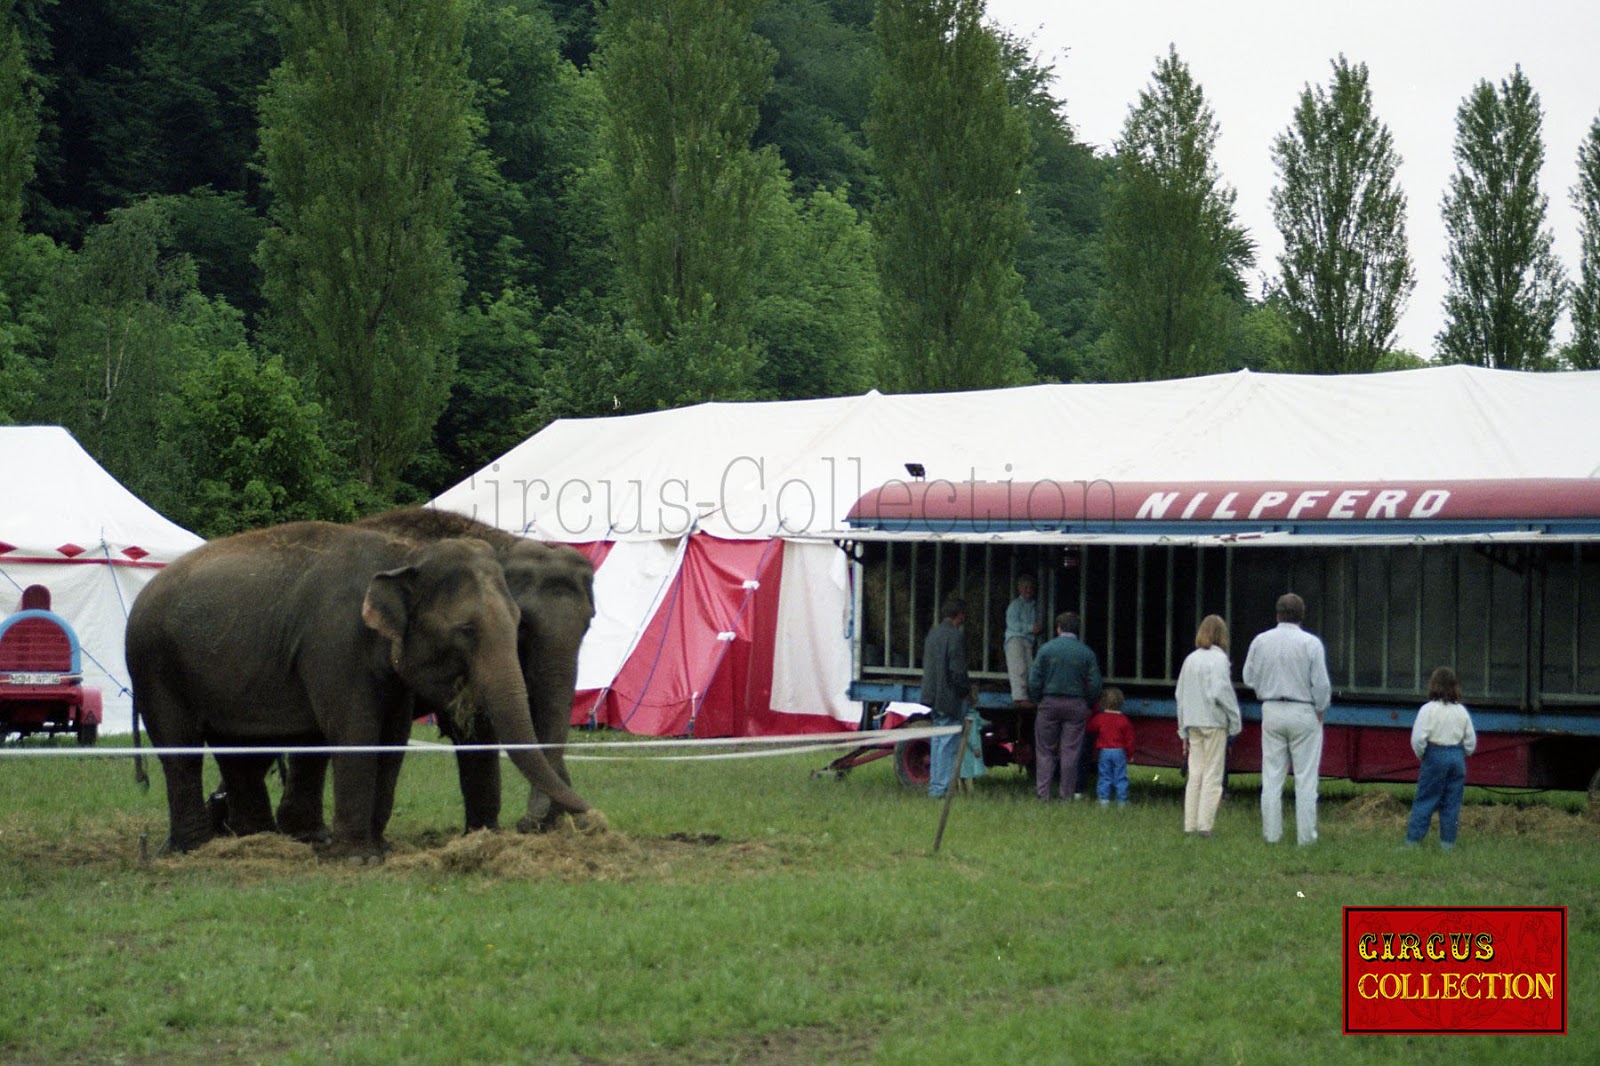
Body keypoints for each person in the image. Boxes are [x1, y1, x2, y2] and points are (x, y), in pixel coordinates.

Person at [1242, 593, 1332, 846]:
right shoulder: (1311, 643)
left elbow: (1248, 676)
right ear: (1302, 615)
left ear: (1277, 613)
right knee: (1306, 779)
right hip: (1303, 710)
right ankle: (1306, 838)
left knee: (1271, 776)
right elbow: (1321, 684)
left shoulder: (1261, 641)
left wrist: (1265, 686)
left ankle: (1271, 835)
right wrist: (1321, 706)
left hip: (1271, 708)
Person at [1175, 614, 1242, 837]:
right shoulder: (1219, 659)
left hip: (1193, 721)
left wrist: (1182, 724)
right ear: (1222, 636)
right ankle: (1205, 826)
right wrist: (1235, 720)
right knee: (1213, 775)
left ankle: (1189, 825)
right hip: (1213, 722)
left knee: (1195, 773)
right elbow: (1222, 692)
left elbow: (1180, 694)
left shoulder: (1190, 659)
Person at [1028, 611, 1103, 801]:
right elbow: (1095, 683)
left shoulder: (1046, 649)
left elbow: (1034, 679)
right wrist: (1088, 702)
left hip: (1049, 703)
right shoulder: (1086, 652)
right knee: (1070, 751)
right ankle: (1066, 796)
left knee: (1045, 750)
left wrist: (1038, 699)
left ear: (1058, 628)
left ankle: (1042, 794)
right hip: (1076, 704)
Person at [1405, 666, 1478, 850]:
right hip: (1456, 757)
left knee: (1426, 799)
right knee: (1452, 803)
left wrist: (1424, 754)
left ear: (1433, 685)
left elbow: (1418, 739)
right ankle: (1447, 844)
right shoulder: (1461, 711)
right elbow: (1470, 741)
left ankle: (1413, 842)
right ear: (1455, 687)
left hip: (1435, 754)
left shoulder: (1427, 710)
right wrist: (1463, 753)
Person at [919, 595, 972, 799]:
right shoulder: (956, 637)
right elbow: (957, 670)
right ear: (959, 615)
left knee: (938, 742)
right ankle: (942, 789)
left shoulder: (933, 633)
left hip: (933, 694)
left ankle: (935, 785)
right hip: (950, 696)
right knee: (949, 744)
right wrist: (965, 690)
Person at [1085, 686, 1134, 807]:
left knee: (1104, 775)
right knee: (1121, 776)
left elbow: (1089, 727)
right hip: (1119, 751)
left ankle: (1103, 800)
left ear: (1102, 703)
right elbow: (1130, 739)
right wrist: (1130, 754)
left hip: (1104, 751)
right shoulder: (1124, 720)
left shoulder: (1100, 718)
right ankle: (1122, 801)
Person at [1003, 576, 1043, 705]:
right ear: (1019, 589)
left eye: (1030, 587)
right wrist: (1030, 628)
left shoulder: (1034, 605)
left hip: (1028, 640)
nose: (1028, 590)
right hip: (1015, 638)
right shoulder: (1015, 605)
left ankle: (1027, 697)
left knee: (1029, 669)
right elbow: (1012, 623)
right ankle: (1019, 698)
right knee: (1018, 668)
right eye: (1025, 587)